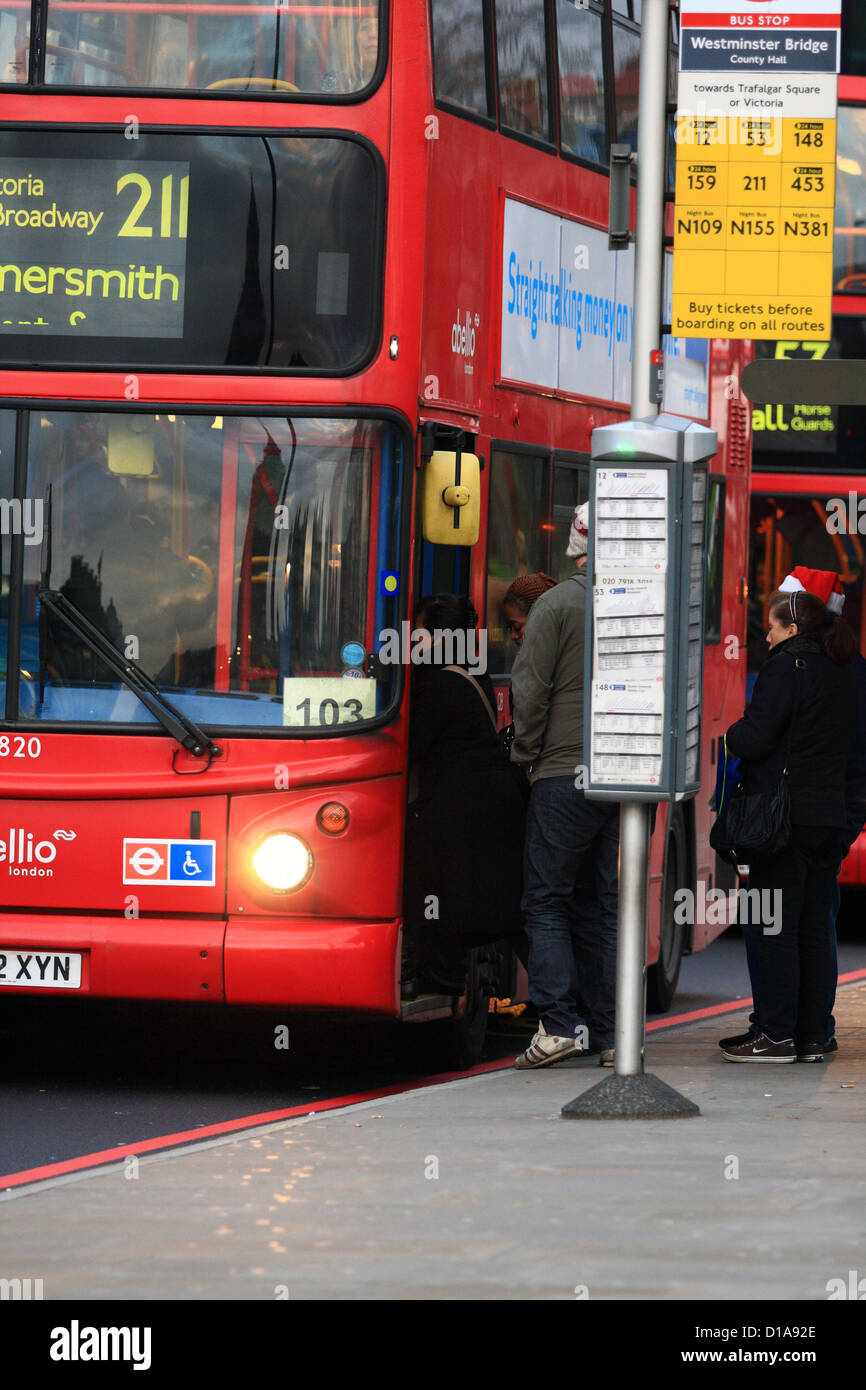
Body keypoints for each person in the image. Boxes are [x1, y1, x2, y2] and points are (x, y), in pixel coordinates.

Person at [720, 566, 866, 1059]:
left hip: (784, 821)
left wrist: (731, 734)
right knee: (813, 928)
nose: (769, 635)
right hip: (830, 818)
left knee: (775, 925)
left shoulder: (787, 666)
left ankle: (776, 1032)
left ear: (795, 625)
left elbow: (756, 737)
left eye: (775, 627)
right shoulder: (848, 668)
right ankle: (814, 1034)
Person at [510, 503, 619, 1069]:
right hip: (618, 775)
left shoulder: (555, 605)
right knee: (600, 906)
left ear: (576, 549)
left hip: (561, 772)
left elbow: (530, 693)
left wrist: (524, 757)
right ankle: (608, 1033)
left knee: (545, 900)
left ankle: (558, 1024)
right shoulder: (637, 603)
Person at [402, 593, 525, 997]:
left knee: (442, 891)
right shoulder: (470, 670)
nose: (409, 639)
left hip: (461, 807)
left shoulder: (437, 683)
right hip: (486, 803)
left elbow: (412, 746)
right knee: (494, 908)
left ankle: (440, 977)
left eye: (416, 630)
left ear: (435, 635)